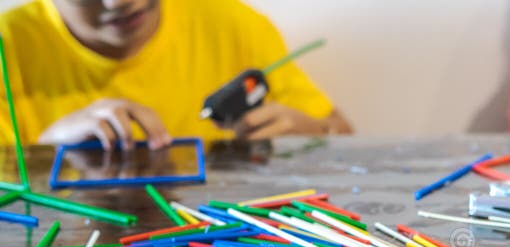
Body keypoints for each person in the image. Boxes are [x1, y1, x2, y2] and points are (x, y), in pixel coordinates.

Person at [0, 0, 352, 151]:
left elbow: (344, 135)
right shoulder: (8, 46)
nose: (120, 2)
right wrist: (45, 151)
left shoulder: (234, 26)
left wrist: (315, 135)